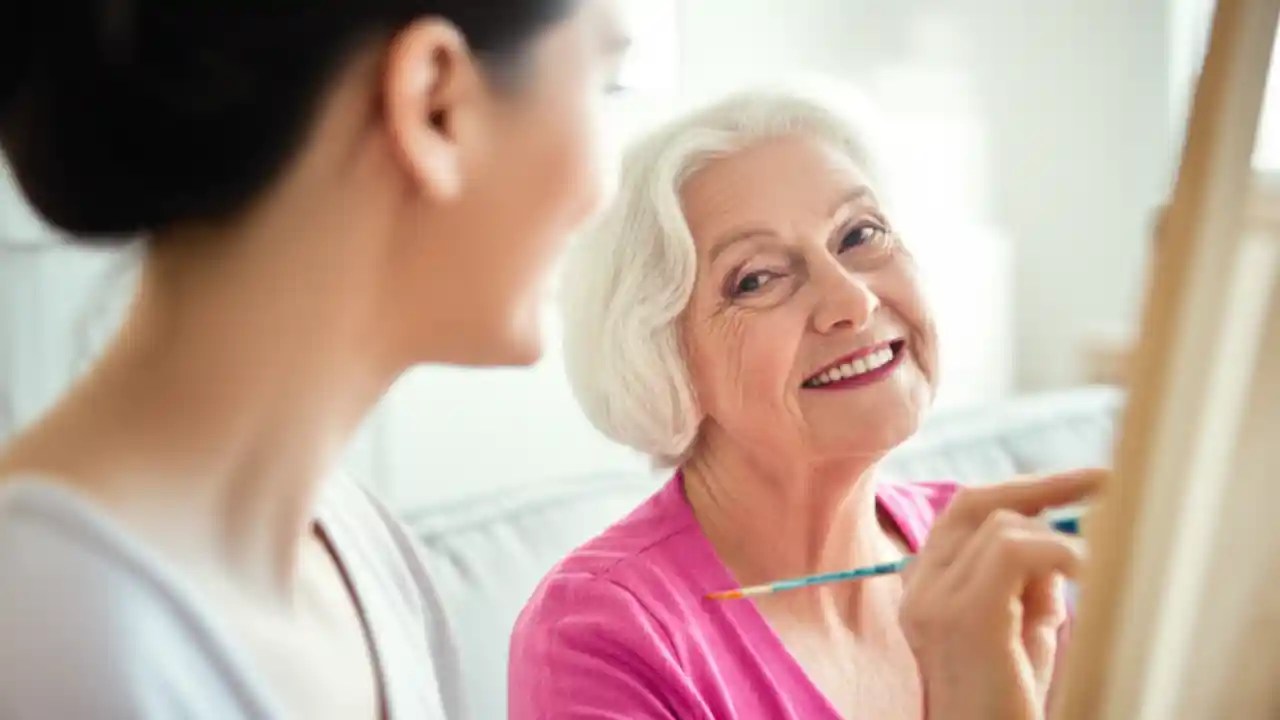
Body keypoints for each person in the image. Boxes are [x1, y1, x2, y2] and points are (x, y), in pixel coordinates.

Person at [0, 1, 627, 718]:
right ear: (434, 103)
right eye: (606, 86)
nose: (607, 191)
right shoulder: (56, 639)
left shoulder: (364, 555)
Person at [509, 88, 1103, 719]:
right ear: (663, 359)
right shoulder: (602, 638)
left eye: (859, 234)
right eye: (758, 278)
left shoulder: (980, 555)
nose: (853, 301)